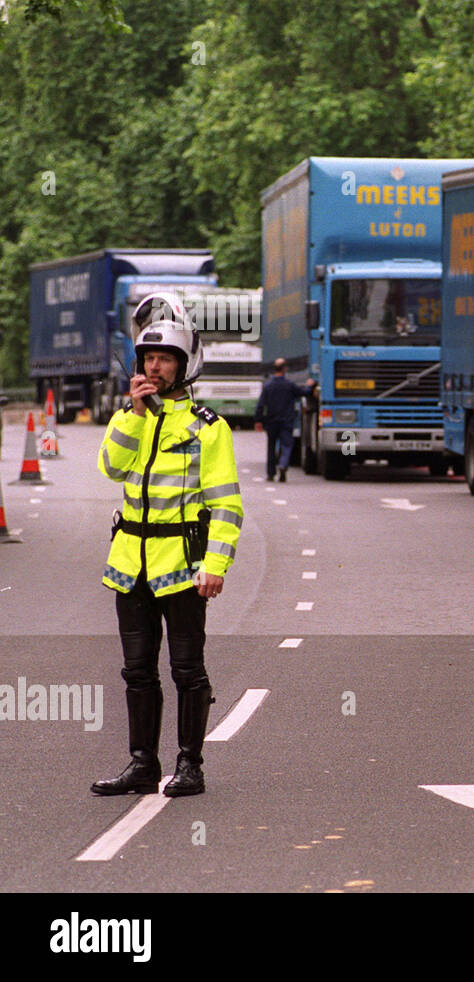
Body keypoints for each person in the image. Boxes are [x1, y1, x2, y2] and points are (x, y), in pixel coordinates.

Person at [92, 293, 242, 798]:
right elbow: (110, 467)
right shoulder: (128, 417)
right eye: (148, 359)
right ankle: (142, 765)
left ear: (183, 365)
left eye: (164, 360)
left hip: (181, 566)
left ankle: (190, 765)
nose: (153, 368)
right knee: (136, 670)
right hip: (129, 565)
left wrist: (215, 564)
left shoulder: (207, 427)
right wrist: (133, 415)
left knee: (186, 670)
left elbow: (226, 504)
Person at [254, 358, 315, 481]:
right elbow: (303, 392)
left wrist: (258, 420)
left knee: (271, 447)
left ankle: (271, 474)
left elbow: (260, 405)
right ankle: (283, 465)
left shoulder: (268, 386)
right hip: (286, 421)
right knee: (286, 445)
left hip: (271, 421)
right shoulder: (289, 385)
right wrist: (310, 386)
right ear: (284, 369)